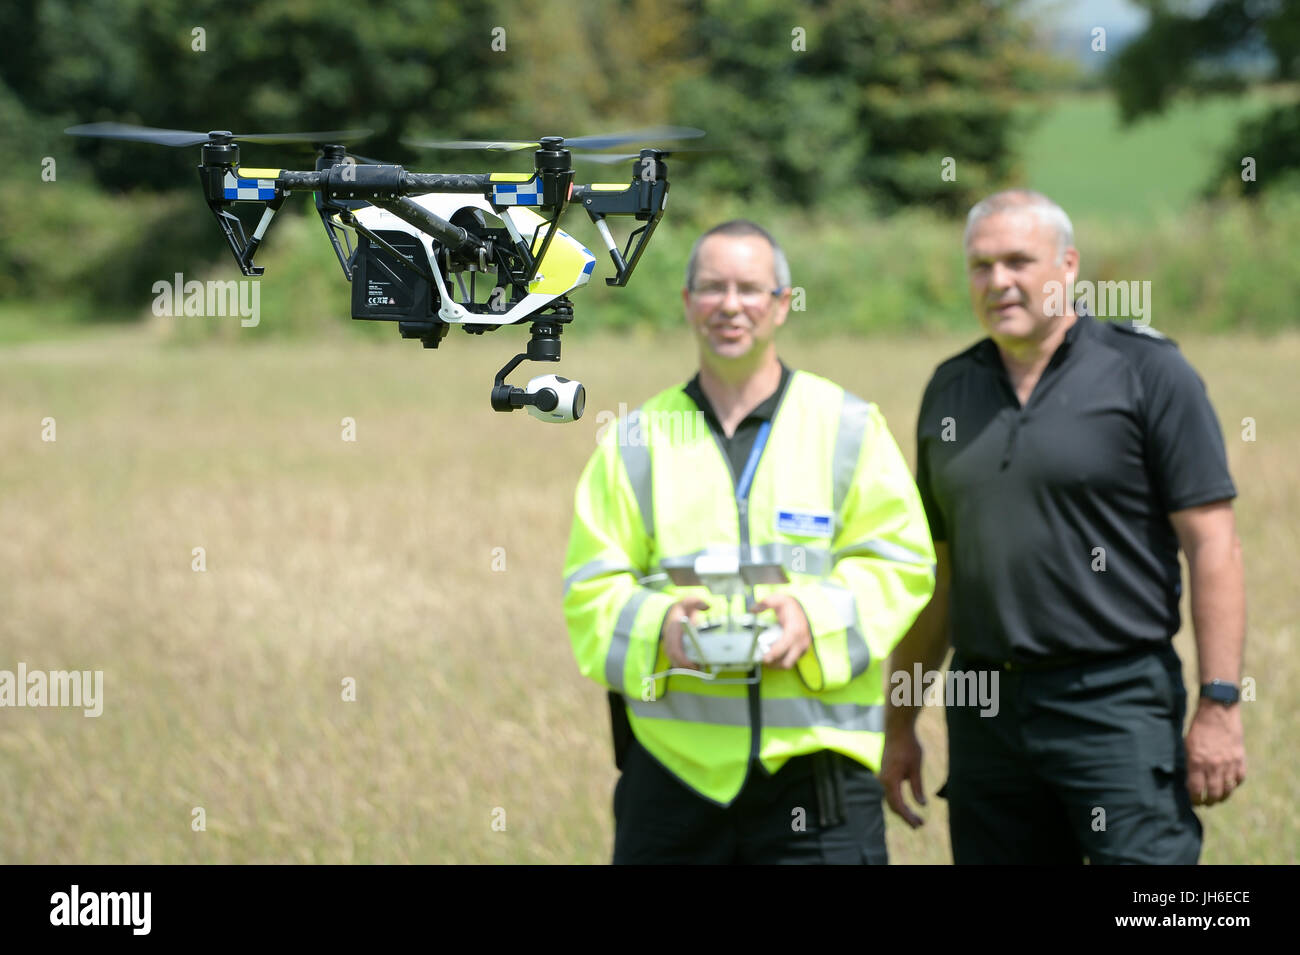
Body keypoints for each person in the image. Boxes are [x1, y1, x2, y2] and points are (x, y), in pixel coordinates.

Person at [881, 190, 1247, 864]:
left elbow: (1213, 543)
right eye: (981, 266)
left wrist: (1220, 704)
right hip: (985, 708)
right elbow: (938, 572)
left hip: (1115, 700)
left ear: (1068, 265)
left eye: (1019, 261)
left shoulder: (1148, 372)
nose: (999, 282)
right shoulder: (949, 389)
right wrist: (899, 720)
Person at [562, 220, 936, 864]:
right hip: (674, 781)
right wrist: (659, 627)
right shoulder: (635, 440)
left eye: (749, 289)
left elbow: (901, 562)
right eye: (711, 289)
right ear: (685, 303)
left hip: (818, 780)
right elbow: (590, 586)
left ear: (782, 304)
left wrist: (812, 617)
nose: (729, 305)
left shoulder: (846, 426)